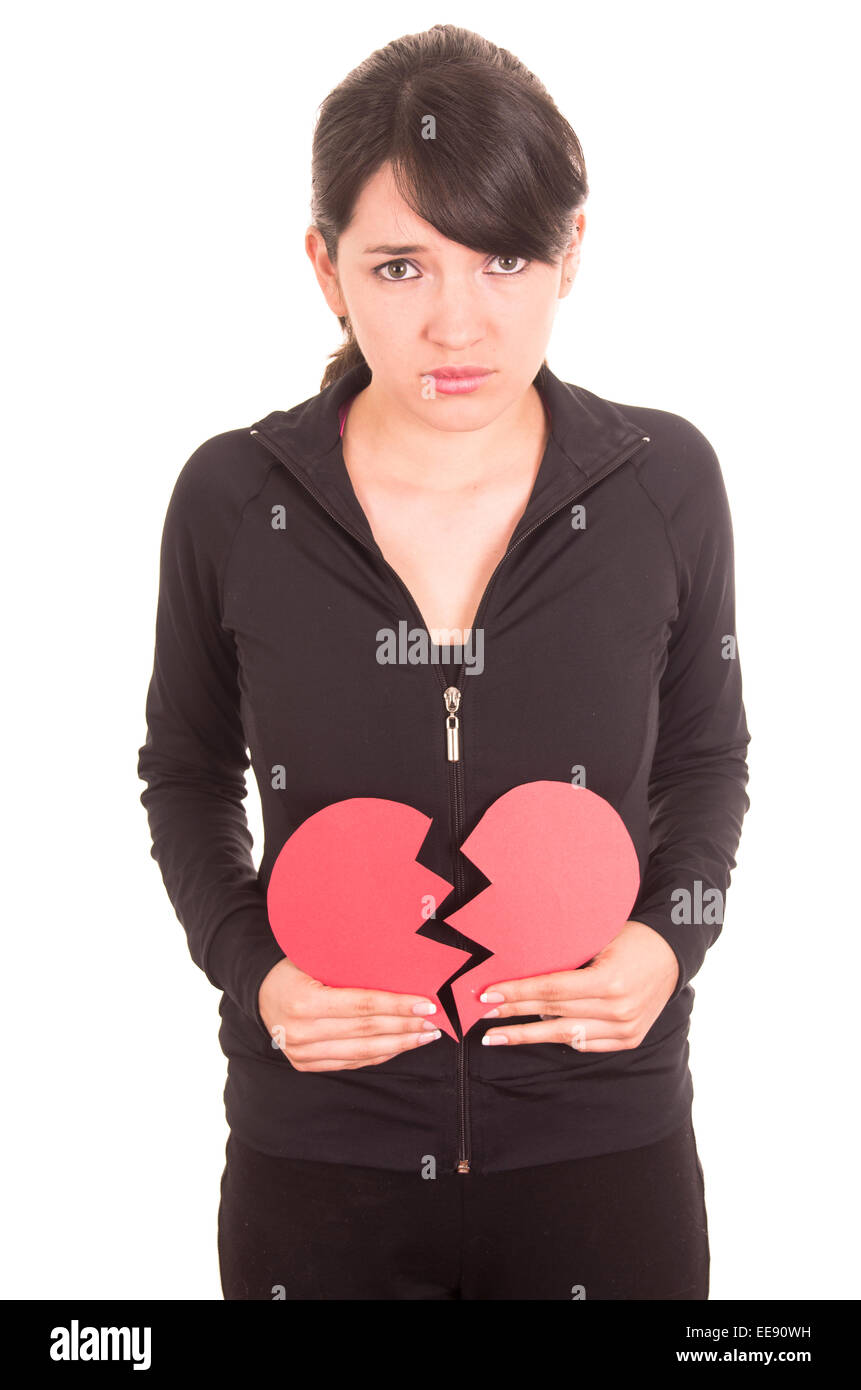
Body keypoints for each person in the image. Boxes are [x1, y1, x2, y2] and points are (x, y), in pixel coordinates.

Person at [137, 23, 751, 1300]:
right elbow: (186, 771)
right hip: (321, 1152)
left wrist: (666, 948)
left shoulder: (663, 483)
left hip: (606, 1147)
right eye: (402, 266)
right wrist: (259, 976)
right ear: (326, 269)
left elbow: (705, 754)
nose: (456, 324)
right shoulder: (233, 496)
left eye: (506, 259)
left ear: (572, 253)